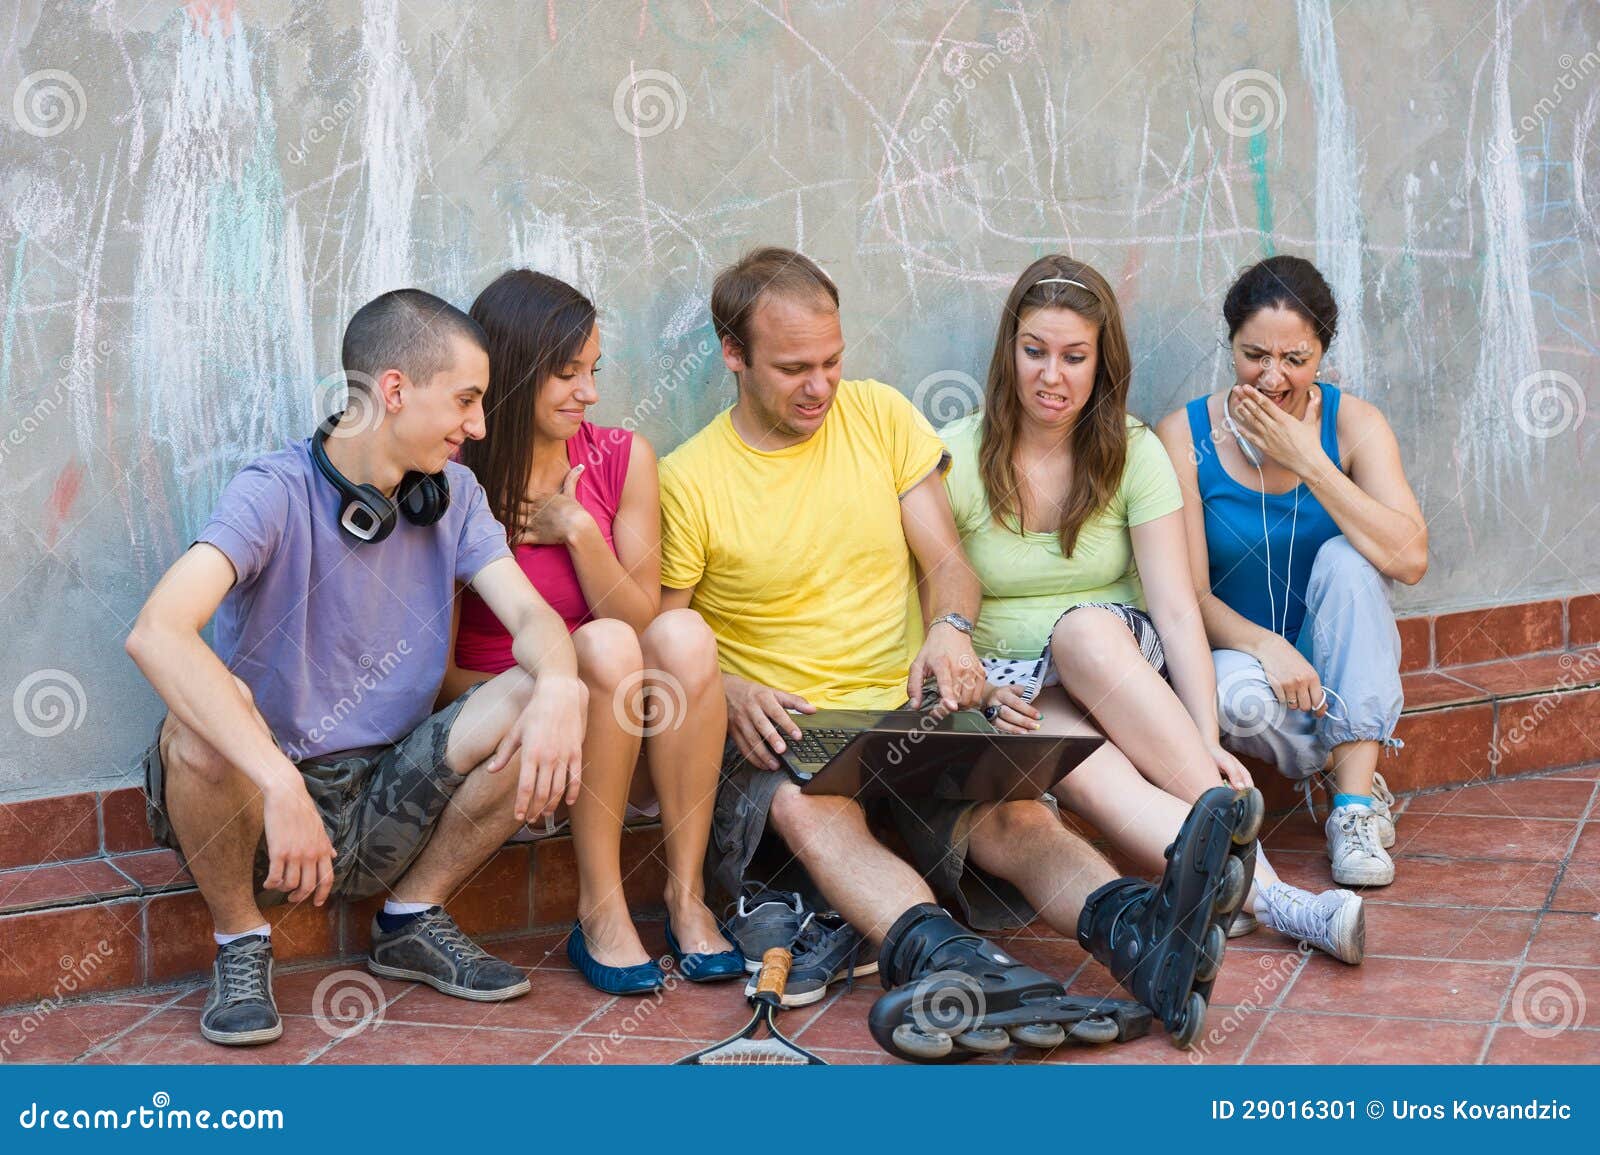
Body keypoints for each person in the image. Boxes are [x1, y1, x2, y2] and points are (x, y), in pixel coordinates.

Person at [656, 245, 1257, 1051]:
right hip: (790, 730)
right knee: (810, 801)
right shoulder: (690, 478)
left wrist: (949, 629)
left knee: (1013, 812)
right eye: (794, 368)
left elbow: (948, 567)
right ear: (734, 354)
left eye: (832, 361)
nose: (821, 386)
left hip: (909, 711)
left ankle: (1139, 933)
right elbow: (667, 640)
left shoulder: (880, 416)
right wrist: (729, 690)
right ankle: (958, 965)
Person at [126, 290, 588, 1046]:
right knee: (199, 718)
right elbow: (157, 632)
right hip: (263, 803)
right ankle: (240, 940)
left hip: (392, 793)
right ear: (395, 390)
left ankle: (412, 917)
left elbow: (534, 619)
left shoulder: (455, 496)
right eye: (466, 400)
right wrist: (279, 781)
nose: (479, 425)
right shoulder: (272, 491)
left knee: (542, 685)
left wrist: (564, 688)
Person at [942, 255, 1364, 962]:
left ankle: (1225, 825)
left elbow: (1175, 607)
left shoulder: (1132, 451)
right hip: (1011, 685)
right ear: (1008, 352)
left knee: (1081, 631)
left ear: (1102, 361)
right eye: (1035, 351)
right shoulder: (954, 456)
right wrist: (978, 688)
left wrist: (1205, 739)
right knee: (1085, 772)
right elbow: (932, 607)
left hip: (1113, 654)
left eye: (1075, 357)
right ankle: (1280, 901)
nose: (1052, 377)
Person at [443, 268, 740, 994]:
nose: (589, 392)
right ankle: (600, 908)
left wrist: (578, 530)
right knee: (604, 647)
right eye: (567, 373)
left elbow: (642, 622)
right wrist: (549, 701)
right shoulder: (453, 474)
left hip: (619, 729)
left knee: (683, 633)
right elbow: (437, 671)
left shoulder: (621, 458)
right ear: (514, 371)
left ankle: (686, 895)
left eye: (593, 371)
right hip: (515, 729)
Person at [1155, 255, 1428, 887]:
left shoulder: (1354, 423)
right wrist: (1266, 646)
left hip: (1339, 657)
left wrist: (1308, 460)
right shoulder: (1184, 436)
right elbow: (1188, 593)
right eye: (1254, 355)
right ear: (1230, 345)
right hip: (1243, 656)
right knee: (1237, 701)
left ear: (1322, 353)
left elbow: (1410, 558)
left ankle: (1352, 810)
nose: (1273, 377)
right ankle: (1350, 762)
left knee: (1350, 559)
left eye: (1295, 359)